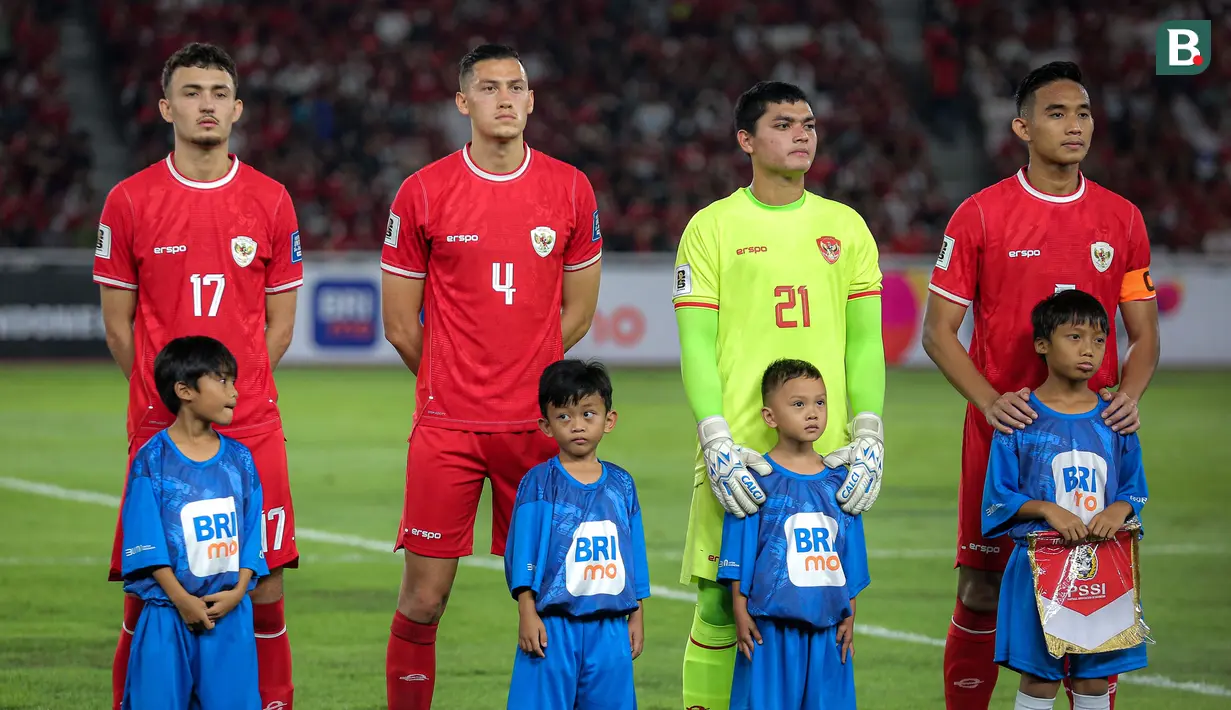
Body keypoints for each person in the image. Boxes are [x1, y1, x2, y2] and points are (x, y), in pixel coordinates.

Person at [921, 61, 1160, 710]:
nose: (1074, 124)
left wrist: (1127, 397)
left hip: (1090, 435)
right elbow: (938, 332)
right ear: (1022, 126)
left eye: (1082, 112)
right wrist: (988, 401)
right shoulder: (978, 216)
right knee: (978, 590)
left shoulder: (1121, 219)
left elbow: (1143, 334)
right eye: (1056, 113)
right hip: (1005, 433)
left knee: (1095, 585)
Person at [379, 43, 603, 710]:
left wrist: (518, 375)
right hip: (447, 426)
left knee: (555, 597)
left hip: (538, 432)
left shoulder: (569, 187)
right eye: (488, 87)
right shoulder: (421, 192)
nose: (504, 98)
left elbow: (580, 311)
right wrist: (454, 377)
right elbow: (399, 324)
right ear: (463, 102)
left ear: (532, 100)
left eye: (516, 87)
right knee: (423, 599)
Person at [94, 42, 302, 710]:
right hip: (158, 427)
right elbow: (120, 326)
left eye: (218, 92)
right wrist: (174, 403)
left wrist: (230, 401)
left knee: (264, 581)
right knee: (147, 580)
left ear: (237, 109)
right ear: (165, 106)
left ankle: (271, 703)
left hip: (252, 426)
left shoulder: (270, 200)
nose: (205, 104)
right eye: (191, 92)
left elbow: (278, 327)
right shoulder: (128, 202)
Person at [672, 80, 886, 710]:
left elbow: (865, 345)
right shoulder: (710, 228)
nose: (802, 134)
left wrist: (868, 433)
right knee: (718, 599)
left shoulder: (845, 227)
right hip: (739, 450)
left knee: (820, 603)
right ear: (746, 140)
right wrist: (715, 439)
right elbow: (696, 346)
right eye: (784, 123)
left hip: (825, 460)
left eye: (810, 124)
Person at [981, 290, 1150, 710]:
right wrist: (1047, 510)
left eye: (1098, 340)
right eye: (1074, 337)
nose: (1088, 350)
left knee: (1094, 683)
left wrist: (1119, 509)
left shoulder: (1115, 418)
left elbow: (1135, 487)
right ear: (1042, 344)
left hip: (1104, 564)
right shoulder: (1019, 417)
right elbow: (998, 497)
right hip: (1040, 566)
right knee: (1039, 680)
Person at [120, 335, 267, 710]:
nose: (234, 391)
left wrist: (239, 591)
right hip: (170, 613)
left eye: (233, 380)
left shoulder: (241, 460)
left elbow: (252, 531)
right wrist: (182, 599)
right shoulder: (152, 460)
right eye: (222, 381)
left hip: (229, 614)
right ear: (184, 390)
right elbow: (145, 539)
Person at [718, 359, 870, 710]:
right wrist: (741, 612)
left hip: (827, 626)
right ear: (770, 417)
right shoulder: (754, 478)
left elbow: (849, 554)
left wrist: (850, 612)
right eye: (798, 405)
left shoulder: (841, 481)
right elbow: (740, 553)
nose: (812, 413)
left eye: (820, 402)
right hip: (769, 627)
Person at [503, 359, 650, 710]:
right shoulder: (539, 483)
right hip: (553, 627)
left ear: (608, 420)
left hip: (610, 629)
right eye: (564, 416)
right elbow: (523, 551)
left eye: (588, 414)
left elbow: (634, 554)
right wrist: (527, 610)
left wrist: (637, 613)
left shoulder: (622, 484)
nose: (577, 426)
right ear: (546, 425)